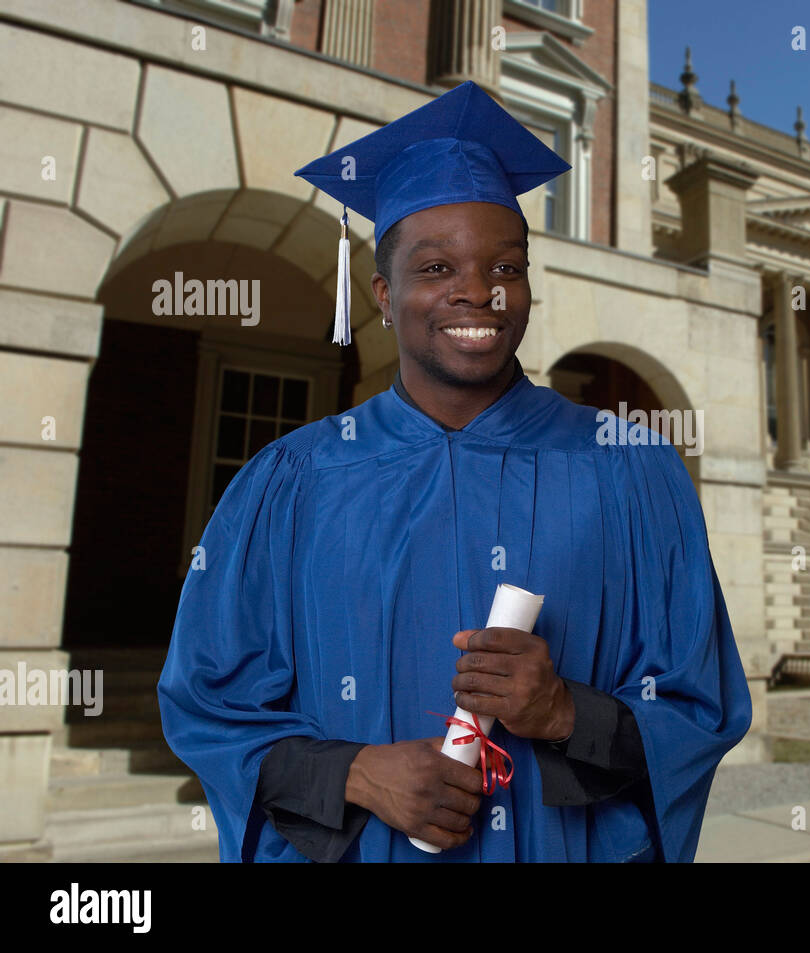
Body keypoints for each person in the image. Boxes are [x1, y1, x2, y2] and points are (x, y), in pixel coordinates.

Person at [157, 81, 752, 862]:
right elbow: (208, 708)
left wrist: (566, 711)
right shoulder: (289, 482)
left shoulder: (634, 474)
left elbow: (700, 710)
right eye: (436, 267)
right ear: (383, 293)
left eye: (507, 266)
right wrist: (356, 773)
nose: (478, 290)